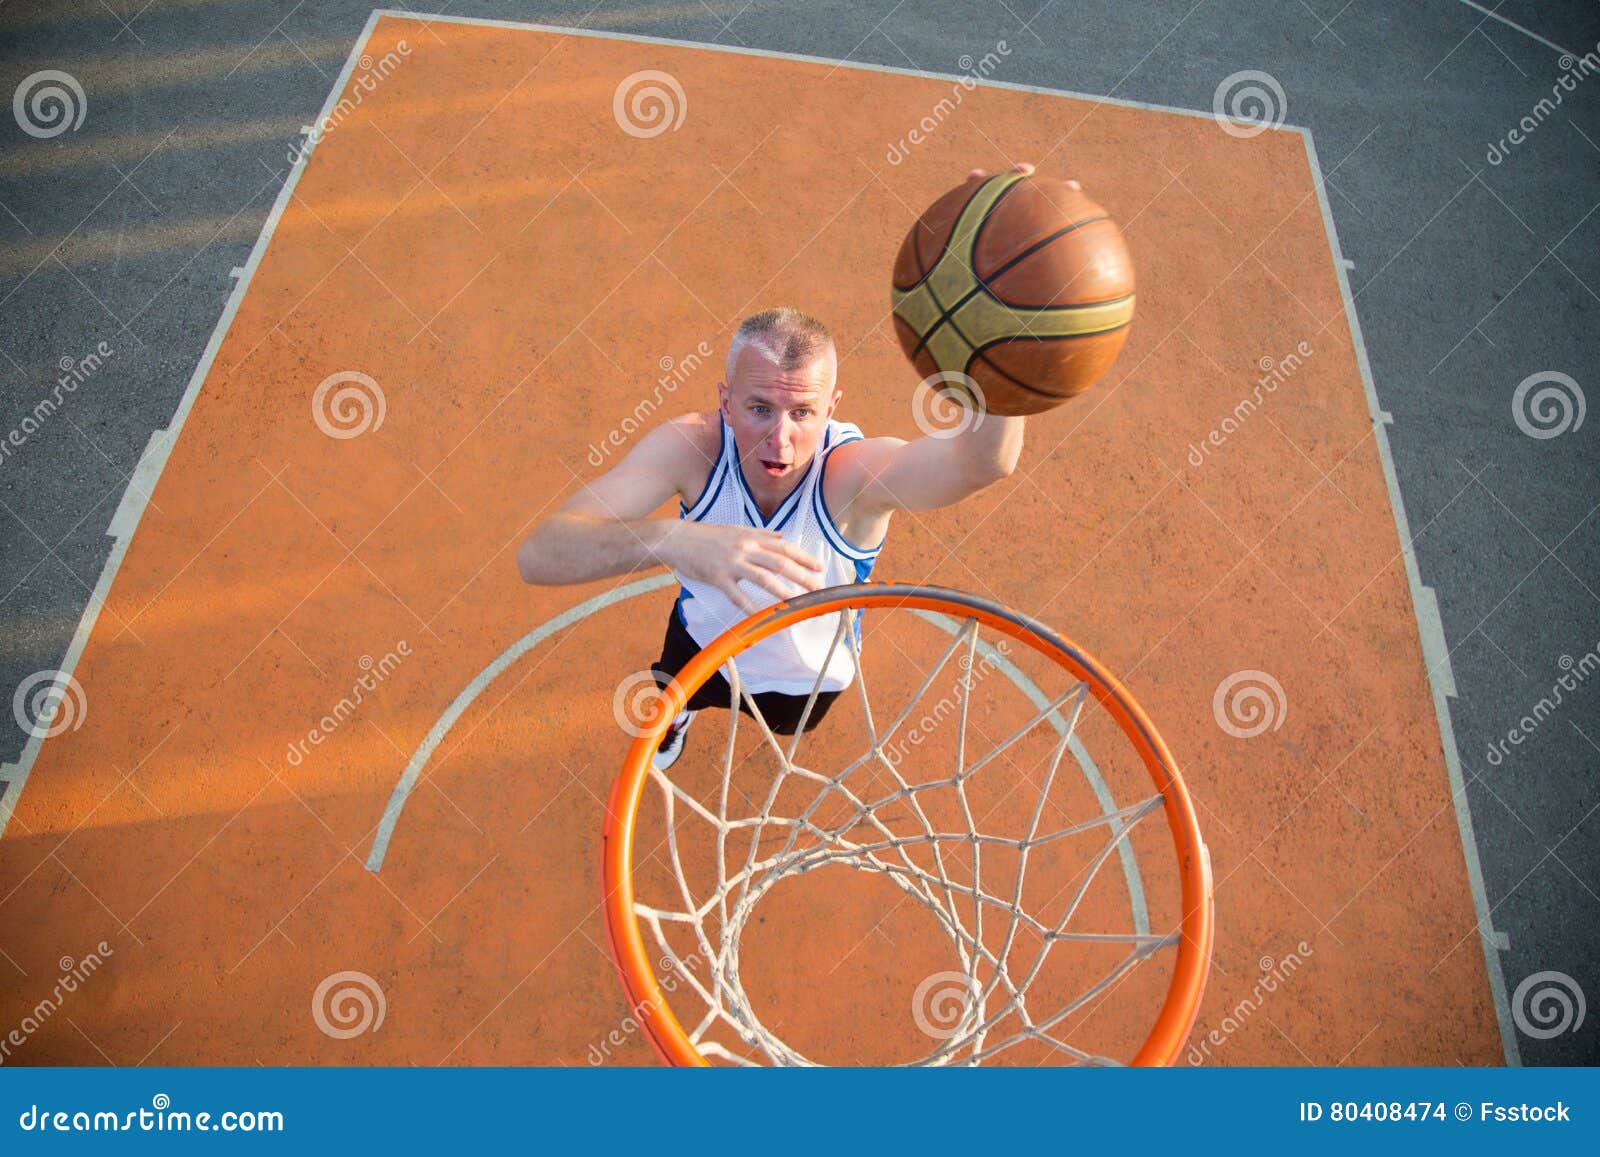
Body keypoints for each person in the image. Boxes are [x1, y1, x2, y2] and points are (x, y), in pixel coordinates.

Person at [519, 164, 1050, 769]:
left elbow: (985, 462)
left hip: (804, 678)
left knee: (790, 730)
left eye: (803, 411)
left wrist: (1004, 332)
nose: (782, 437)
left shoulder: (851, 477)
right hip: (702, 644)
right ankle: (682, 711)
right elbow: (539, 556)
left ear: (833, 408)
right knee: (674, 680)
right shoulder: (691, 449)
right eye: (758, 408)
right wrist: (673, 539)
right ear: (724, 402)